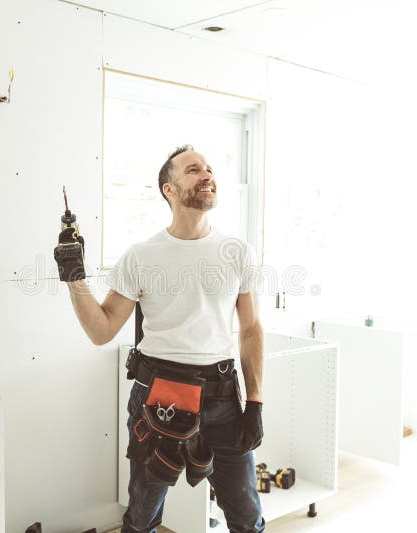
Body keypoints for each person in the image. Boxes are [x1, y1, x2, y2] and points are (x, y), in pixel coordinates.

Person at [58, 145, 265, 533]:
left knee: (247, 519)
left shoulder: (237, 252)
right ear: (169, 189)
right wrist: (75, 280)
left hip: (223, 398)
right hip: (158, 398)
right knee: (142, 519)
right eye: (193, 170)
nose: (206, 175)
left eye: (209, 168)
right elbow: (101, 331)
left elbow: (251, 330)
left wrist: (254, 403)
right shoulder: (141, 256)